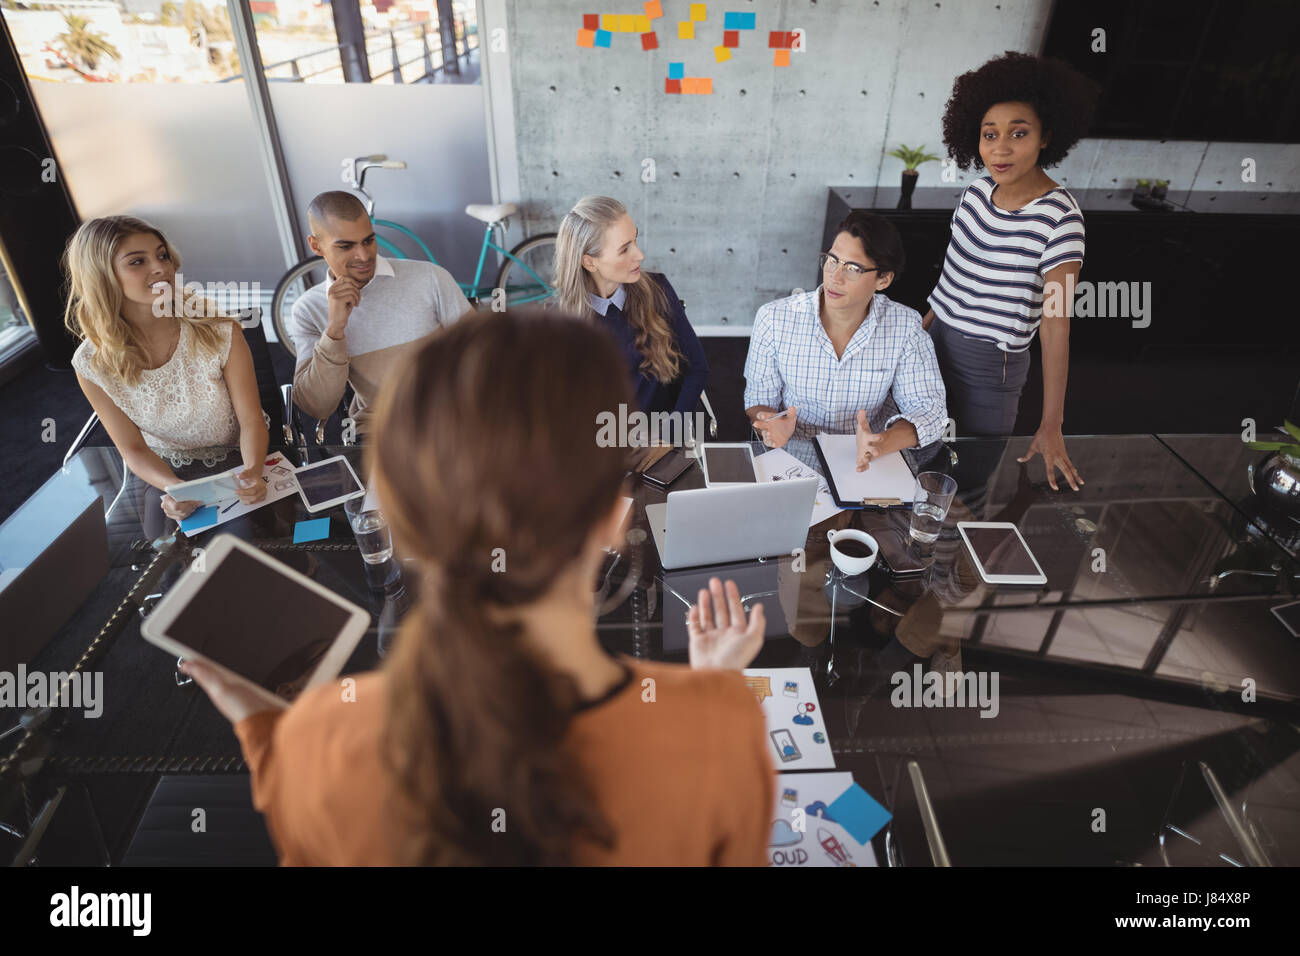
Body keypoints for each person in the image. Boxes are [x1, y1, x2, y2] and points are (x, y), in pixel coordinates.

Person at [182, 310, 774, 866]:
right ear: (610, 519)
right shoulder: (721, 727)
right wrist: (710, 691)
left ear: (402, 519)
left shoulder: (317, 739)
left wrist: (265, 732)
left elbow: (309, 834)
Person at [922, 51, 1100, 491]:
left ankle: (952, 559)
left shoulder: (1060, 218)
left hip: (991, 365)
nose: (999, 149)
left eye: (1018, 133)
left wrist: (1051, 423)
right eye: (989, 134)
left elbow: (1056, 325)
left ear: (1045, 137)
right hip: (934, 338)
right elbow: (951, 278)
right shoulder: (976, 192)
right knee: (915, 458)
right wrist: (917, 334)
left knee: (967, 480)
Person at [65, 216, 269, 537]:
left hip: (239, 455)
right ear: (102, 277)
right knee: (168, 563)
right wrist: (173, 487)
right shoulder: (91, 363)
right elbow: (132, 449)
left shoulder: (217, 329)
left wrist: (253, 471)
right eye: (137, 261)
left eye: (162, 255)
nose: (161, 268)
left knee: (242, 544)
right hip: (164, 468)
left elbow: (252, 421)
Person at [744, 212, 948, 471]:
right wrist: (772, 421)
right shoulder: (774, 318)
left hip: (866, 460)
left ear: (883, 279)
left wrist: (881, 443)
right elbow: (757, 398)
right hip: (793, 456)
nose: (834, 277)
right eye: (832, 260)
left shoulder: (905, 326)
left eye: (853, 268)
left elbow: (930, 411)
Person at [286, 190, 472, 434]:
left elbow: (483, 351)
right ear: (316, 245)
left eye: (368, 240)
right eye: (345, 246)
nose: (363, 256)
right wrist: (334, 331)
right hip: (381, 433)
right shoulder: (308, 310)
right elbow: (317, 407)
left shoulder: (430, 277)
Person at [554, 195, 708, 431]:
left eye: (635, 240)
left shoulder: (659, 291)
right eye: (624, 249)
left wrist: (669, 436)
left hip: (660, 437)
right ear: (589, 262)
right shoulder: (560, 322)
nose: (639, 255)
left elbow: (696, 368)